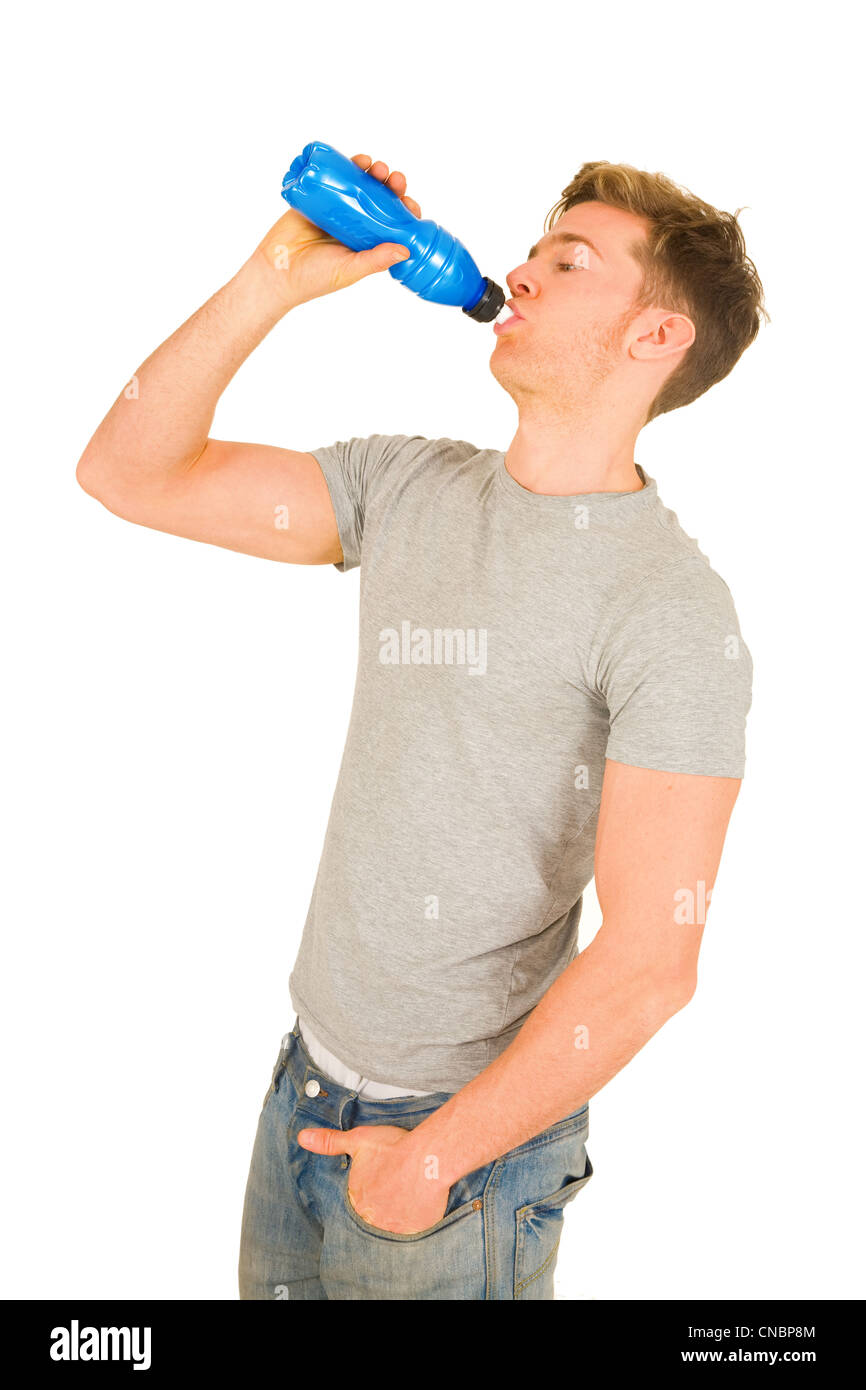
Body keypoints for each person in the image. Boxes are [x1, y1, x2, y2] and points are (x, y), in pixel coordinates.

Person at [76, 151, 765, 1300]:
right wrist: (270, 279)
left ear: (654, 340)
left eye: (566, 262)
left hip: (461, 1156)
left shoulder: (672, 614)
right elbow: (125, 473)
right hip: (305, 1091)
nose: (515, 274)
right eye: (532, 253)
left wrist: (431, 1159)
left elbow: (651, 961)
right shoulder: (404, 489)